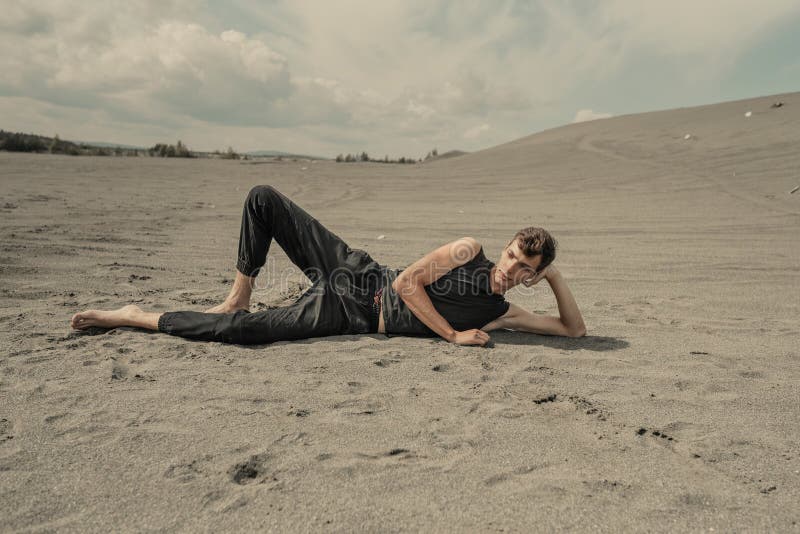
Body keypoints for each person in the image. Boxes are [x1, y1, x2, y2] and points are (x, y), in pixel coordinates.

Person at [70, 185, 585, 346]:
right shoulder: (468, 249)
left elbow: (573, 330)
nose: (511, 267)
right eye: (512, 254)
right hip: (360, 276)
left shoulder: (502, 313)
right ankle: (237, 294)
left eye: (526, 267)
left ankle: (135, 316)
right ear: (505, 247)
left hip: (351, 316)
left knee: (245, 334)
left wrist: (555, 276)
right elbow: (406, 284)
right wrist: (451, 336)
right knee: (264, 200)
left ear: (532, 275)